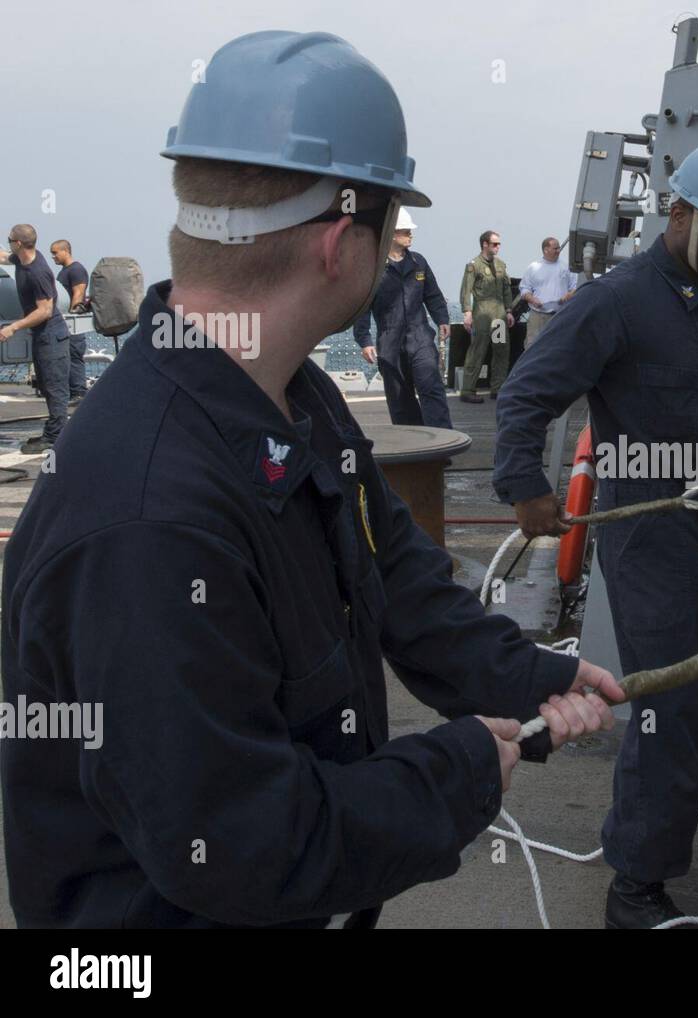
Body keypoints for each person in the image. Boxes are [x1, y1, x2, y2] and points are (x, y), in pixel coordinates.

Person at [0, 29, 623, 930]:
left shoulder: (293, 391)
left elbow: (395, 576)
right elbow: (240, 843)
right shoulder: (148, 520)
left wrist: (526, 675)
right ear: (342, 242)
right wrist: (453, 773)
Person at [493, 143, 698, 929]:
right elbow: (525, 396)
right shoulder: (615, 304)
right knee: (669, 710)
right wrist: (523, 488)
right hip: (653, 539)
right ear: (678, 214)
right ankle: (638, 886)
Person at [353, 208, 453, 428]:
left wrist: (442, 319)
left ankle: (443, 441)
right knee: (400, 400)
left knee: (431, 388)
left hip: (420, 338)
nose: (411, 235)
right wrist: (365, 340)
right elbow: (362, 307)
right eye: (406, 231)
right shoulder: (373, 268)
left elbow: (433, 295)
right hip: (390, 343)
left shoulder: (419, 263)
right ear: (391, 233)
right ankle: (414, 446)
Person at [0, 224, 71, 453]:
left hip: (52, 334)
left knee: (54, 387)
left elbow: (45, 311)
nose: (8, 241)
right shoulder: (23, 258)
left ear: (18, 243)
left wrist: (14, 327)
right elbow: (4, 257)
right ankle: (53, 433)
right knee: (46, 384)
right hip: (43, 334)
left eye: (10, 239)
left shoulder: (37, 271)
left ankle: (55, 438)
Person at [457, 230, 513, 402]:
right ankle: (467, 390)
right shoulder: (474, 265)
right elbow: (466, 290)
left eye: (499, 244)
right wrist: (467, 312)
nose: (498, 247)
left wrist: (509, 311)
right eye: (495, 244)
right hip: (482, 312)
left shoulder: (501, 266)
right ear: (485, 244)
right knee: (477, 350)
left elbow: (506, 290)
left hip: (498, 314)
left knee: (501, 349)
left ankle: (498, 388)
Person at [519, 237, 579, 348]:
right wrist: (532, 299)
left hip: (560, 315)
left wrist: (568, 295)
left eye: (559, 248)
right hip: (538, 316)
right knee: (532, 348)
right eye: (555, 248)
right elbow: (524, 289)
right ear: (546, 250)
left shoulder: (566, 267)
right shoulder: (534, 267)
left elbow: (575, 287)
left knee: (558, 347)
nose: (558, 250)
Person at [50, 239, 90, 402]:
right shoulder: (65, 271)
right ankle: (71, 391)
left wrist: (71, 315)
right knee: (65, 357)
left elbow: (78, 293)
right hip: (64, 321)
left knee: (73, 356)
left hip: (72, 322)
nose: (53, 257)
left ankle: (79, 392)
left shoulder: (76, 270)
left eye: (55, 252)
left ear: (65, 251)